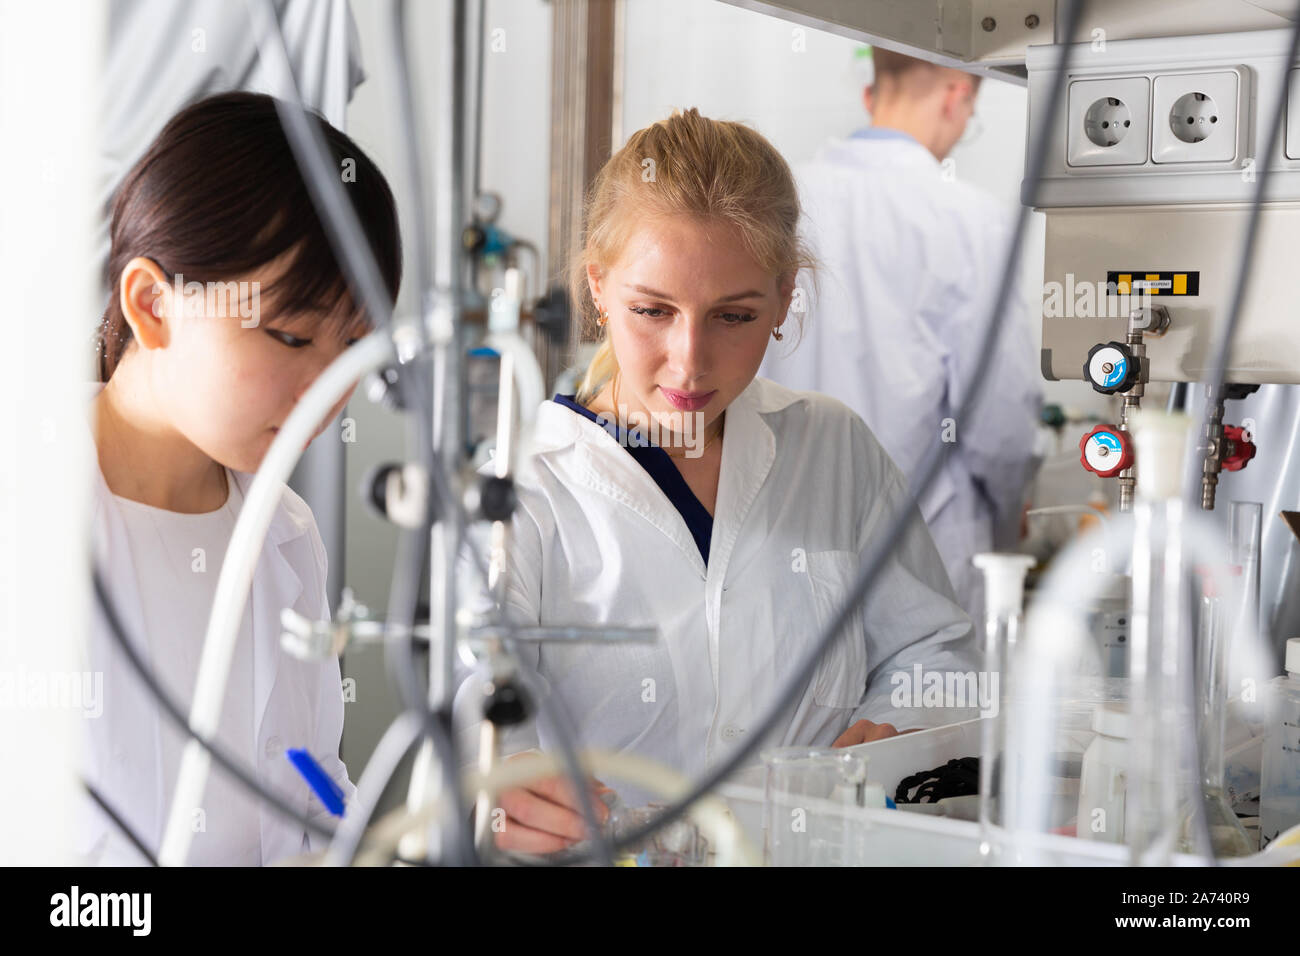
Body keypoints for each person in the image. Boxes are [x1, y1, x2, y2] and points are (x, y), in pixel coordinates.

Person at [456, 108, 978, 855]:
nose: (690, 362)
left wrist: (898, 729)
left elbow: (935, 653)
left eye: (734, 315)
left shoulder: (832, 448)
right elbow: (469, 710)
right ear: (598, 287)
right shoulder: (520, 489)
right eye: (651, 310)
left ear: (785, 296)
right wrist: (508, 786)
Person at [82, 91, 401, 865]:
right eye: (291, 336)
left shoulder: (285, 536)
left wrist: (361, 840)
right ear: (153, 305)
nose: (328, 390)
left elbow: (312, 782)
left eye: (354, 348)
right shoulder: (26, 510)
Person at [759, 49, 1043, 624]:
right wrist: (1012, 502)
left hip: (785, 546)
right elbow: (1001, 412)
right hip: (932, 551)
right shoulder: (970, 220)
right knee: (930, 710)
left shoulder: (781, 205)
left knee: (809, 710)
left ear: (872, 96)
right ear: (955, 95)